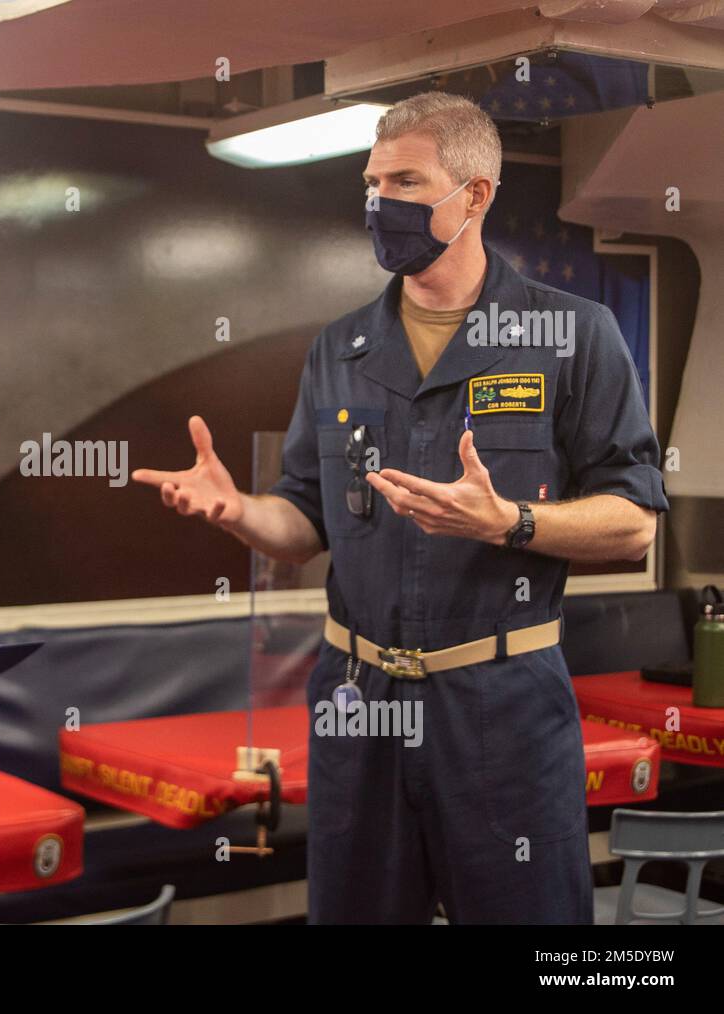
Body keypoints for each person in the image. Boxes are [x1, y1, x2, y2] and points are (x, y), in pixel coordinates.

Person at [132, 92, 667, 924]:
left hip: (501, 707)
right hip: (357, 700)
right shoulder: (341, 349)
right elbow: (304, 523)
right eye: (373, 182)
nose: (381, 202)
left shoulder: (576, 335)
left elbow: (634, 521)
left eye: (406, 180)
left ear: (477, 194)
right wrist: (237, 510)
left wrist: (513, 523)